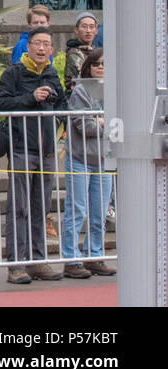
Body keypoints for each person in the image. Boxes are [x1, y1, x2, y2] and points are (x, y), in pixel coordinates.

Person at [0, 26, 65, 285]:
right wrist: (30, 97)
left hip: (47, 151)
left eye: (46, 44)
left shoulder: (51, 73)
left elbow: (63, 105)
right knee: (20, 208)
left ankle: (38, 260)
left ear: (51, 49)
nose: (42, 48)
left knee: (41, 208)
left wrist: (56, 102)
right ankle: (17, 264)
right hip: (22, 148)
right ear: (28, 46)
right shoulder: (13, 73)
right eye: (37, 43)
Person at [59, 50, 116, 278]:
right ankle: (71, 260)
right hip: (80, 158)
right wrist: (104, 122)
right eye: (97, 64)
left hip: (104, 159)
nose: (101, 67)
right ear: (88, 67)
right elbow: (85, 127)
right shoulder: (80, 90)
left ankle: (95, 256)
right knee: (77, 210)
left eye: (105, 63)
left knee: (99, 212)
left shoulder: (115, 91)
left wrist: (102, 121)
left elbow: (119, 127)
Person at [63, 13, 98, 94]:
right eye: (84, 26)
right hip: (77, 97)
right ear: (76, 30)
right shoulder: (73, 53)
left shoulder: (96, 51)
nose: (88, 30)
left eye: (91, 27)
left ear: (96, 31)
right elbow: (87, 75)